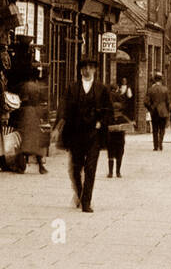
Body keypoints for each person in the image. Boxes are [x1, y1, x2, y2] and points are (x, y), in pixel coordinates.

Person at [59, 59, 111, 212]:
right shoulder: (72, 88)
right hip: (76, 134)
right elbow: (64, 109)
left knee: (90, 168)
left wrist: (101, 122)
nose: (87, 70)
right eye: (84, 67)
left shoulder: (102, 89)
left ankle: (86, 202)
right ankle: (80, 193)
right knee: (76, 168)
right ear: (80, 70)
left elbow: (108, 110)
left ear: (95, 69)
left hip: (94, 134)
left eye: (91, 67)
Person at [17, 71, 50, 174]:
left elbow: (21, 99)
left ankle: (21, 166)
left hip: (24, 114)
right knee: (35, 140)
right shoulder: (36, 87)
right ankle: (40, 166)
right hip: (34, 113)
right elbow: (41, 100)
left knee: (24, 140)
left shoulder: (23, 86)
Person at [107, 81, 131, 178]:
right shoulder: (122, 117)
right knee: (120, 153)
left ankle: (110, 172)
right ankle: (118, 172)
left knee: (110, 154)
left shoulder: (109, 116)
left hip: (110, 137)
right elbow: (129, 125)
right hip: (120, 137)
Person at [145, 73, 170, 150]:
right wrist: (168, 111)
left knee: (155, 129)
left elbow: (146, 102)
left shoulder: (150, 89)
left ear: (155, 79)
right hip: (163, 112)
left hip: (154, 112)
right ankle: (160, 143)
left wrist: (150, 109)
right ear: (161, 79)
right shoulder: (165, 89)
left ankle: (155, 146)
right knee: (162, 129)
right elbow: (168, 102)